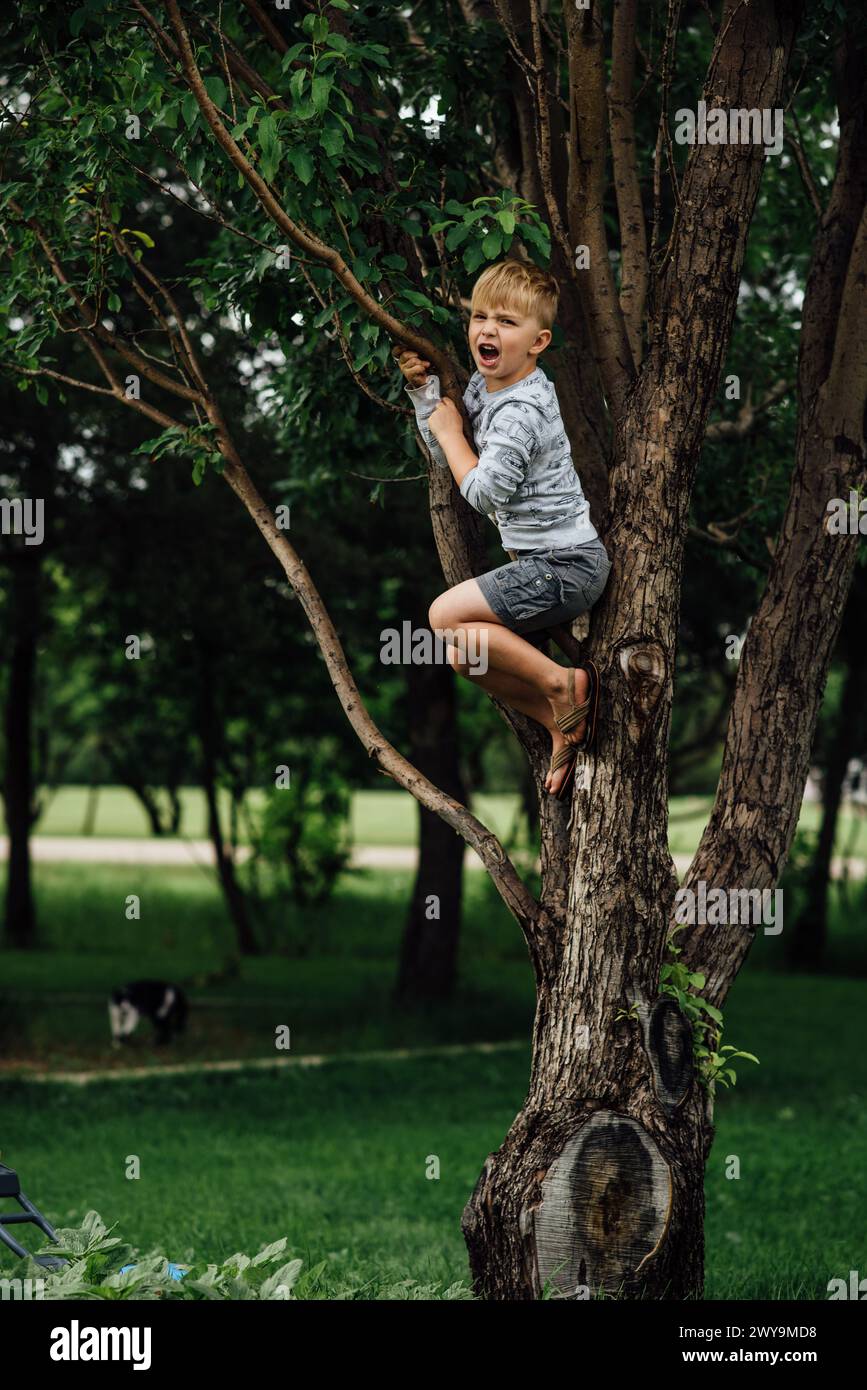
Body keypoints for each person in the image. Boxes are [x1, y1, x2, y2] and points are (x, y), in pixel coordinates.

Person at [395, 258, 611, 799]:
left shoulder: (522, 411)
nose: (488, 330)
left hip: (566, 567)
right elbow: (446, 456)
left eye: (507, 322)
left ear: (538, 342)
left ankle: (563, 683)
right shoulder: (487, 392)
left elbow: (484, 491)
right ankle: (558, 714)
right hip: (545, 567)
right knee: (462, 654)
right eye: (480, 316)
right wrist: (427, 398)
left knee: (442, 616)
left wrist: (448, 431)